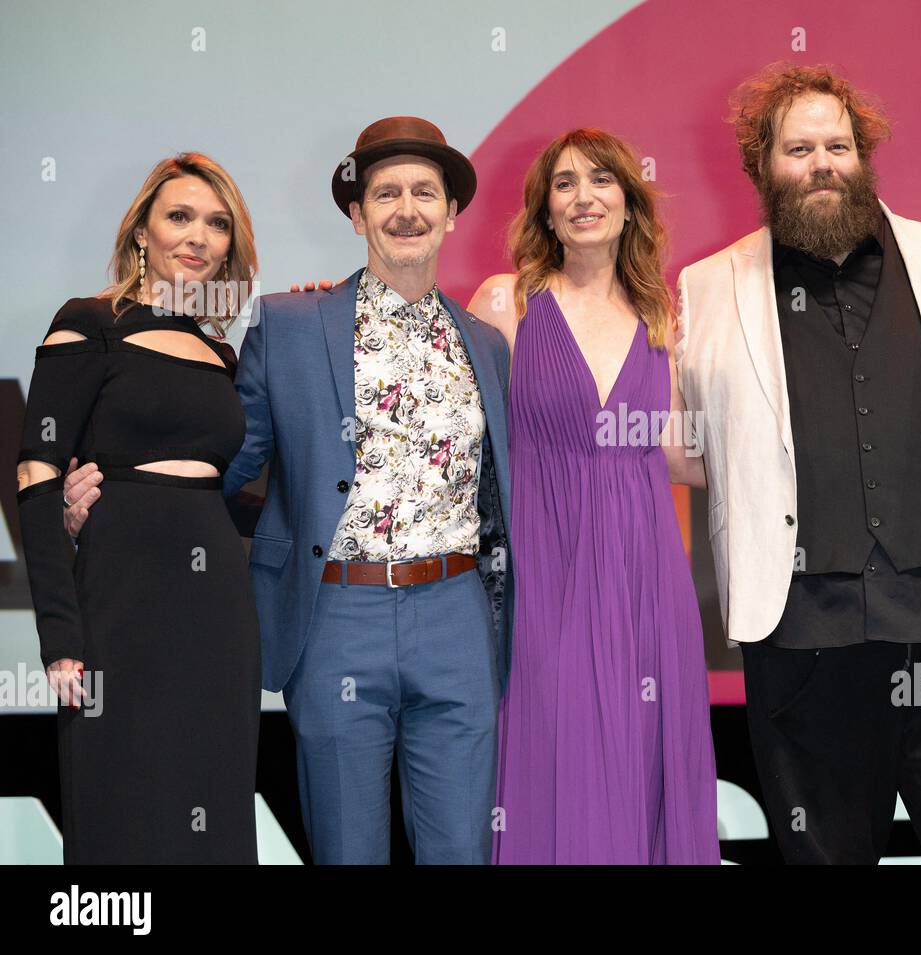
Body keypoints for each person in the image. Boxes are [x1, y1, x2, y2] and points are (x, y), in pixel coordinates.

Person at [63, 117, 513, 864]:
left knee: (462, 853)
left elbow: (500, 497)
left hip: (456, 618)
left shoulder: (487, 344)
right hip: (337, 615)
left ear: (451, 212)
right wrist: (113, 487)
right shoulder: (292, 324)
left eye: (424, 193)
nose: (407, 208)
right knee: (345, 851)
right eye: (386, 192)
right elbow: (223, 465)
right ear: (357, 212)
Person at [675, 63, 921, 864]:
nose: (822, 162)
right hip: (800, 633)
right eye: (798, 148)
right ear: (761, 166)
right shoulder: (707, 286)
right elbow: (683, 442)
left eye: (838, 144)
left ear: (864, 154)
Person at [467, 128, 719, 864]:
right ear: (545, 211)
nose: (584, 197)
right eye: (565, 183)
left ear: (628, 202)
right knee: (551, 743)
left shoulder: (659, 319)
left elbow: (678, 453)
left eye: (602, 180)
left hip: (646, 572)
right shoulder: (506, 303)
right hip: (543, 567)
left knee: (644, 750)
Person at [18, 152, 261, 863]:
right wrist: (60, 633)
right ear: (141, 235)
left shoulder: (222, 356)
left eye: (217, 223)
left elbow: (238, 492)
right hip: (118, 601)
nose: (198, 235)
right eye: (179, 216)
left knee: (213, 808)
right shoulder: (89, 322)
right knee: (118, 801)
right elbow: (36, 471)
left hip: (217, 610)